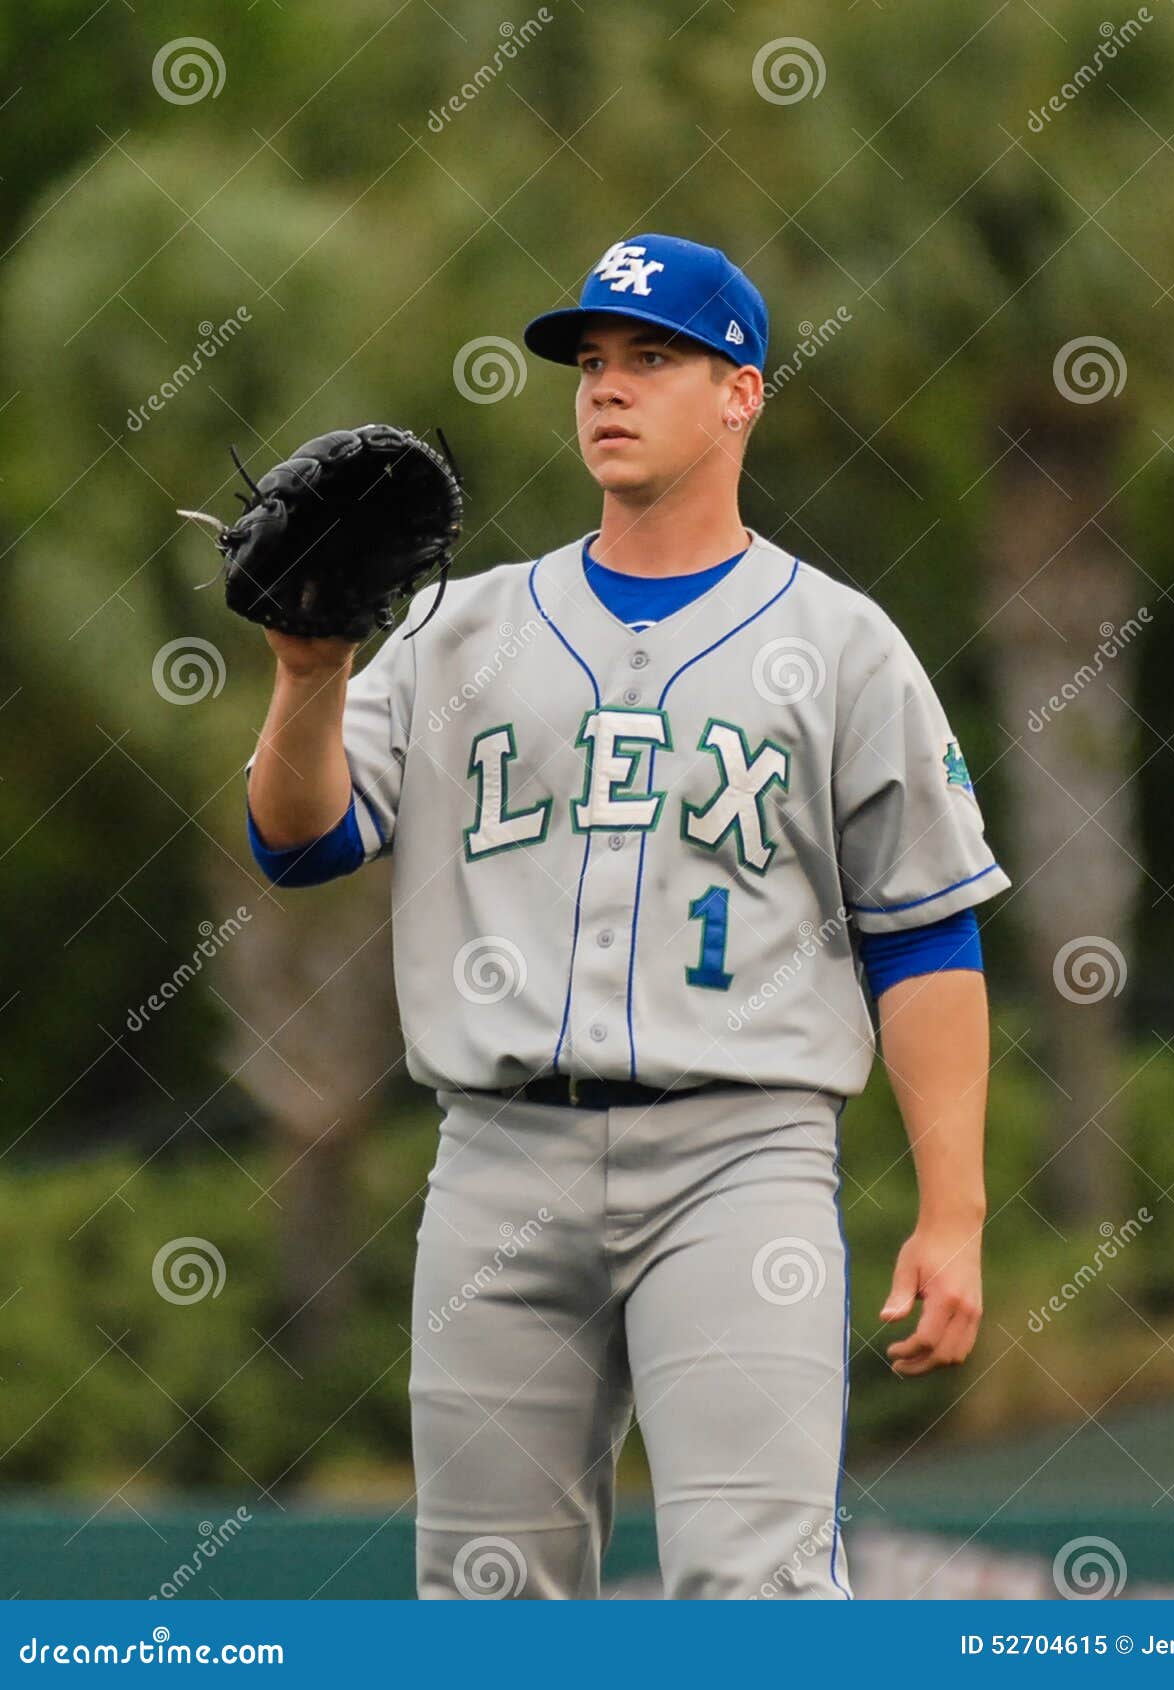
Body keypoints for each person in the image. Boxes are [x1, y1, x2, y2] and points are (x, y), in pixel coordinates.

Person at [243, 232, 1011, 1600]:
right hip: (496, 1159)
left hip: (740, 1159)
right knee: (488, 1608)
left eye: (654, 357)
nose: (608, 385)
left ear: (742, 393)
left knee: (751, 1594)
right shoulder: (454, 631)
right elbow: (299, 841)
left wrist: (951, 1212)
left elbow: (925, 935)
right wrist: (309, 673)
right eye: (591, 361)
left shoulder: (838, 644)